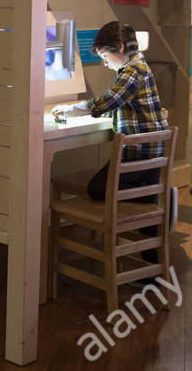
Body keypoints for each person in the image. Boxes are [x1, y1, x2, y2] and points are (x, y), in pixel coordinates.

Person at [51, 21, 168, 258]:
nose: (105, 64)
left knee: (98, 188)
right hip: (153, 152)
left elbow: (108, 101)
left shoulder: (131, 71)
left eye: (105, 56)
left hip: (137, 152)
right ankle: (150, 270)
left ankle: (134, 196)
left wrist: (71, 109)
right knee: (146, 204)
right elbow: (118, 101)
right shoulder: (141, 65)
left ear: (120, 47)